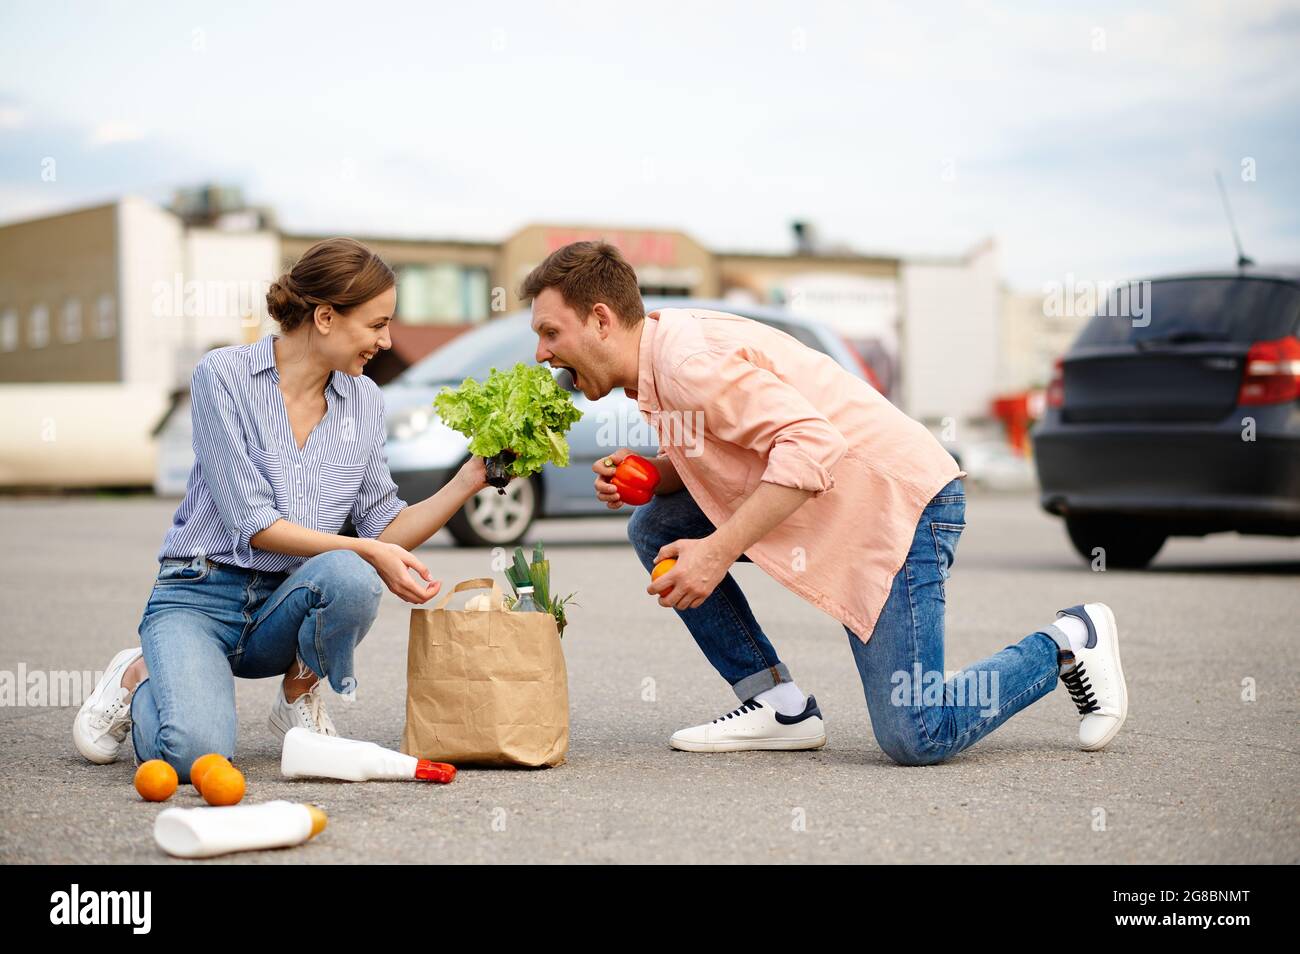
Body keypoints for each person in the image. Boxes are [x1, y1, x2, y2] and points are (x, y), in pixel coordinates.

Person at [525, 240, 1127, 764]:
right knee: (655, 524)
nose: (541, 354)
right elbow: (730, 450)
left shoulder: (685, 362)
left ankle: (1070, 641)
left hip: (899, 507)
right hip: (838, 498)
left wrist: (714, 554)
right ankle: (779, 706)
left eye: (551, 333)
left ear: (601, 320)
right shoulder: (658, 361)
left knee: (918, 734)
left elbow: (811, 444)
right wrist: (654, 477)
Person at [73, 238, 490, 782]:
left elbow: (383, 528)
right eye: (376, 324)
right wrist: (370, 550)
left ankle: (298, 695)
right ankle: (140, 673)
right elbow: (256, 525)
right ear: (324, 317)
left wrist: (467, 479)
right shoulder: (223, 377)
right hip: (201, 594)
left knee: (353, 576)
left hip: (282, 606)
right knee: (192, 757)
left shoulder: (364, 401)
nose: (386, 341)